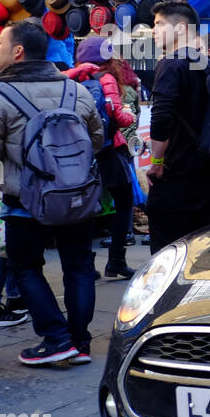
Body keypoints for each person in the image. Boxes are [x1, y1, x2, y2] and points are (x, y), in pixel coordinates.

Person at [0, 20, 103, 366]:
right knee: (78, 266)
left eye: (0, 44)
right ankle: (80, 342)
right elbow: (96, 141)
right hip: (77, 196)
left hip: (25, 201)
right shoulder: (76, 90)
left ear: (18, 52)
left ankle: (56, 338)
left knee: (25, 266)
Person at [145, 1, 210, 252]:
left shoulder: (172, 63)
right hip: (207, 172)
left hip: (177, 174)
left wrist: (156, 162)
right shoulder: (207, 63)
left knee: (168, 256)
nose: (154, 31)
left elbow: (161, 115)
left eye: (159, 25)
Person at [67, 36, 137, 279]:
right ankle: (116, 260)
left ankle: (86, 263)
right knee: (125, 201)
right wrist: (130, 116)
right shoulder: (106, 78)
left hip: (79, 152)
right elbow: (115, 114)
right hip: (108, 150)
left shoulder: (71, 77)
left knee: (85, 207)